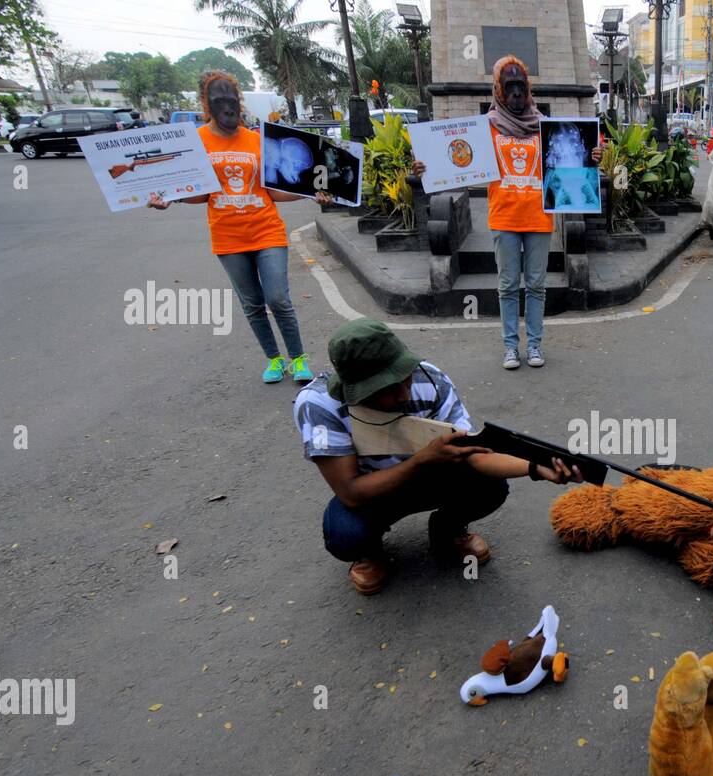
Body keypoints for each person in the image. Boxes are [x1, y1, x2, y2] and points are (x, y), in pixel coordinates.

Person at [294, 318, 584, 595]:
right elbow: (351, 493)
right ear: (359, 391)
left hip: (434, 477)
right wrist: (421, 459)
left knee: (491, 487)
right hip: (372, 493)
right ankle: (370, 553)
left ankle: (447, 531)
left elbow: (476, 455)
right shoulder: (319, 405)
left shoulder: (430, 379)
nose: (406, 394)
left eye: (405, 377)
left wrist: (536, 467)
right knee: (345, 535)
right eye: (390, 388)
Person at [412, 55, 602, 372]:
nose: (516, 95)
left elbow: (570, 159)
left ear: (528, 90)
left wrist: (592, 156)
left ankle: (536, 345)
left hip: (539, 218)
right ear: (498, 91)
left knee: (537, 285)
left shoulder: (545, 127)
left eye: (521, 87)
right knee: (508, 286)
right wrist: (426, 167)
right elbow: (456, 159)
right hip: (504, 219)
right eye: (509, 88)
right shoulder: (485, 128)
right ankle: (511, 347)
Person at [147, 71, 325, 384]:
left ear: (239, 102)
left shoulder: (257, 140)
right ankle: (274, 359)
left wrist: (312, 193)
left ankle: (298, 358)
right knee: (252, 304)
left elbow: (271, 191)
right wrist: (170, 198)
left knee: (278, 298)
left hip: (266, 230)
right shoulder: (197, 142)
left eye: (232, 99)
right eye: (219, 99)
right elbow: (202, 194)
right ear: (206, 103)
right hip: (228, 237)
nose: (228, 105)